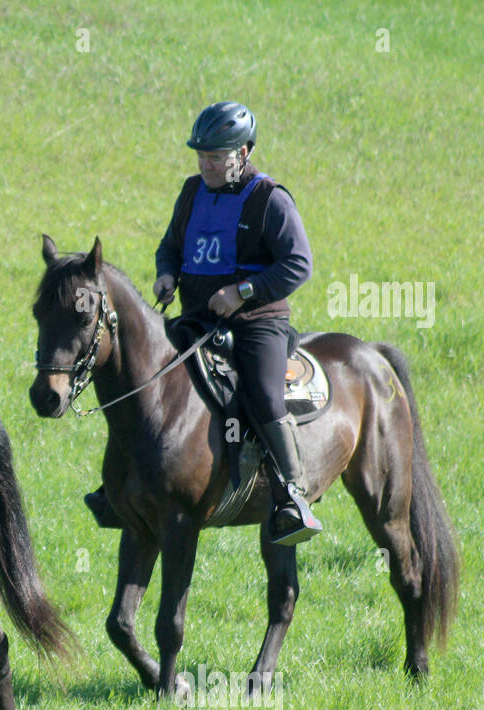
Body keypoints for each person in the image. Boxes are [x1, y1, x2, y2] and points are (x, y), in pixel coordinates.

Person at [86, 101, 320, 545]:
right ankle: (125, 486)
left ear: (244, 152)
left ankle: (293, 496)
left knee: (266, 396)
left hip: (257, 323)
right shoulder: (192, 191)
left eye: (217, 156)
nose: (207, 164)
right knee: (146, 377)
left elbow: (298, 264)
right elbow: (170, 245)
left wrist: (243, 292)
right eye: (202, 155)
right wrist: (167, 273)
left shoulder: (270, 199)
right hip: (196, 317)